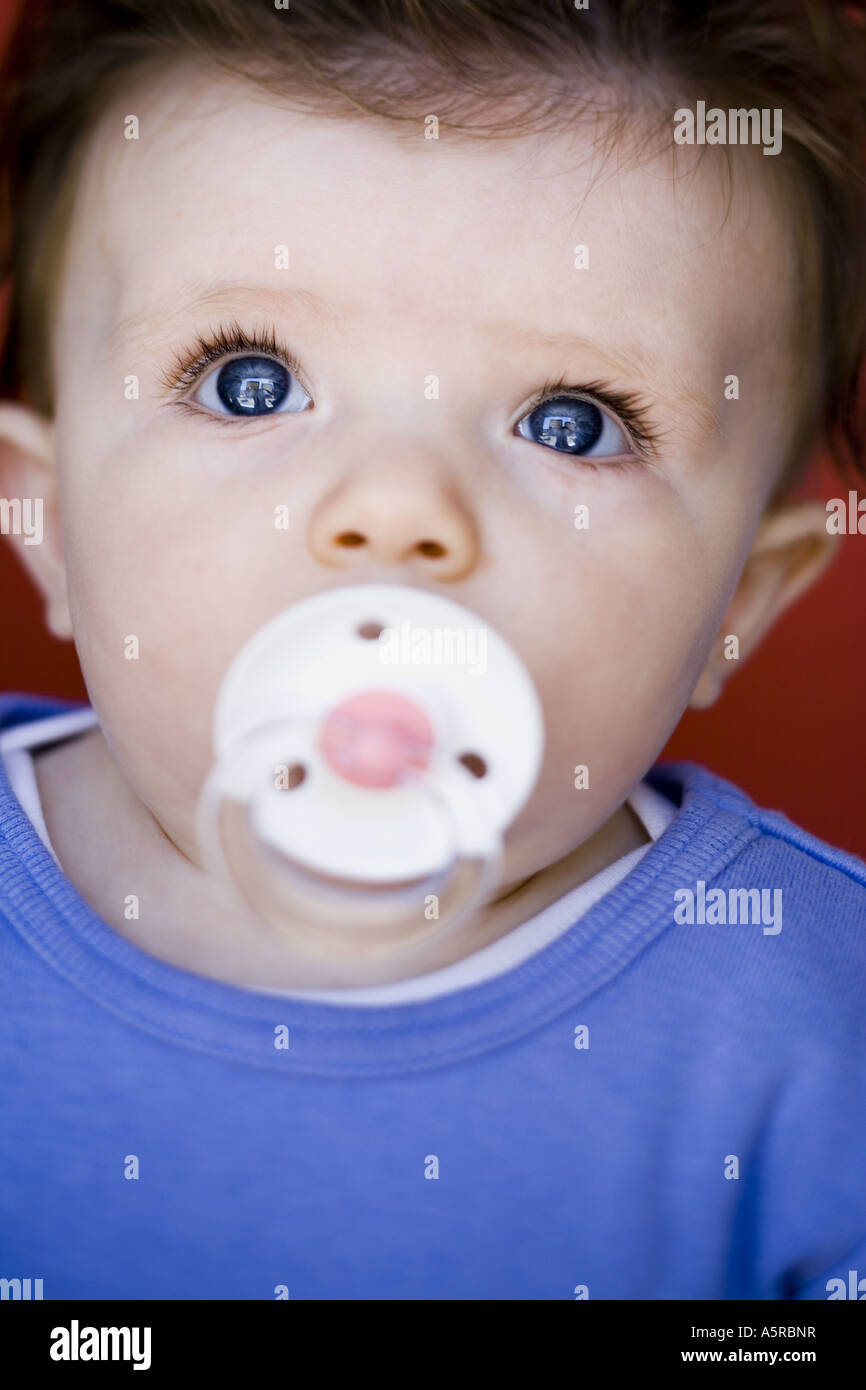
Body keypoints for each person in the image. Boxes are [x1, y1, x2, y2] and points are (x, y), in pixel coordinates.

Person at [0, 0, 864, 1299]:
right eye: (250, 380)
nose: (397, 511)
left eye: (571, 423)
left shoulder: (814, 1027)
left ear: (736, 597)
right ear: (49, 518)